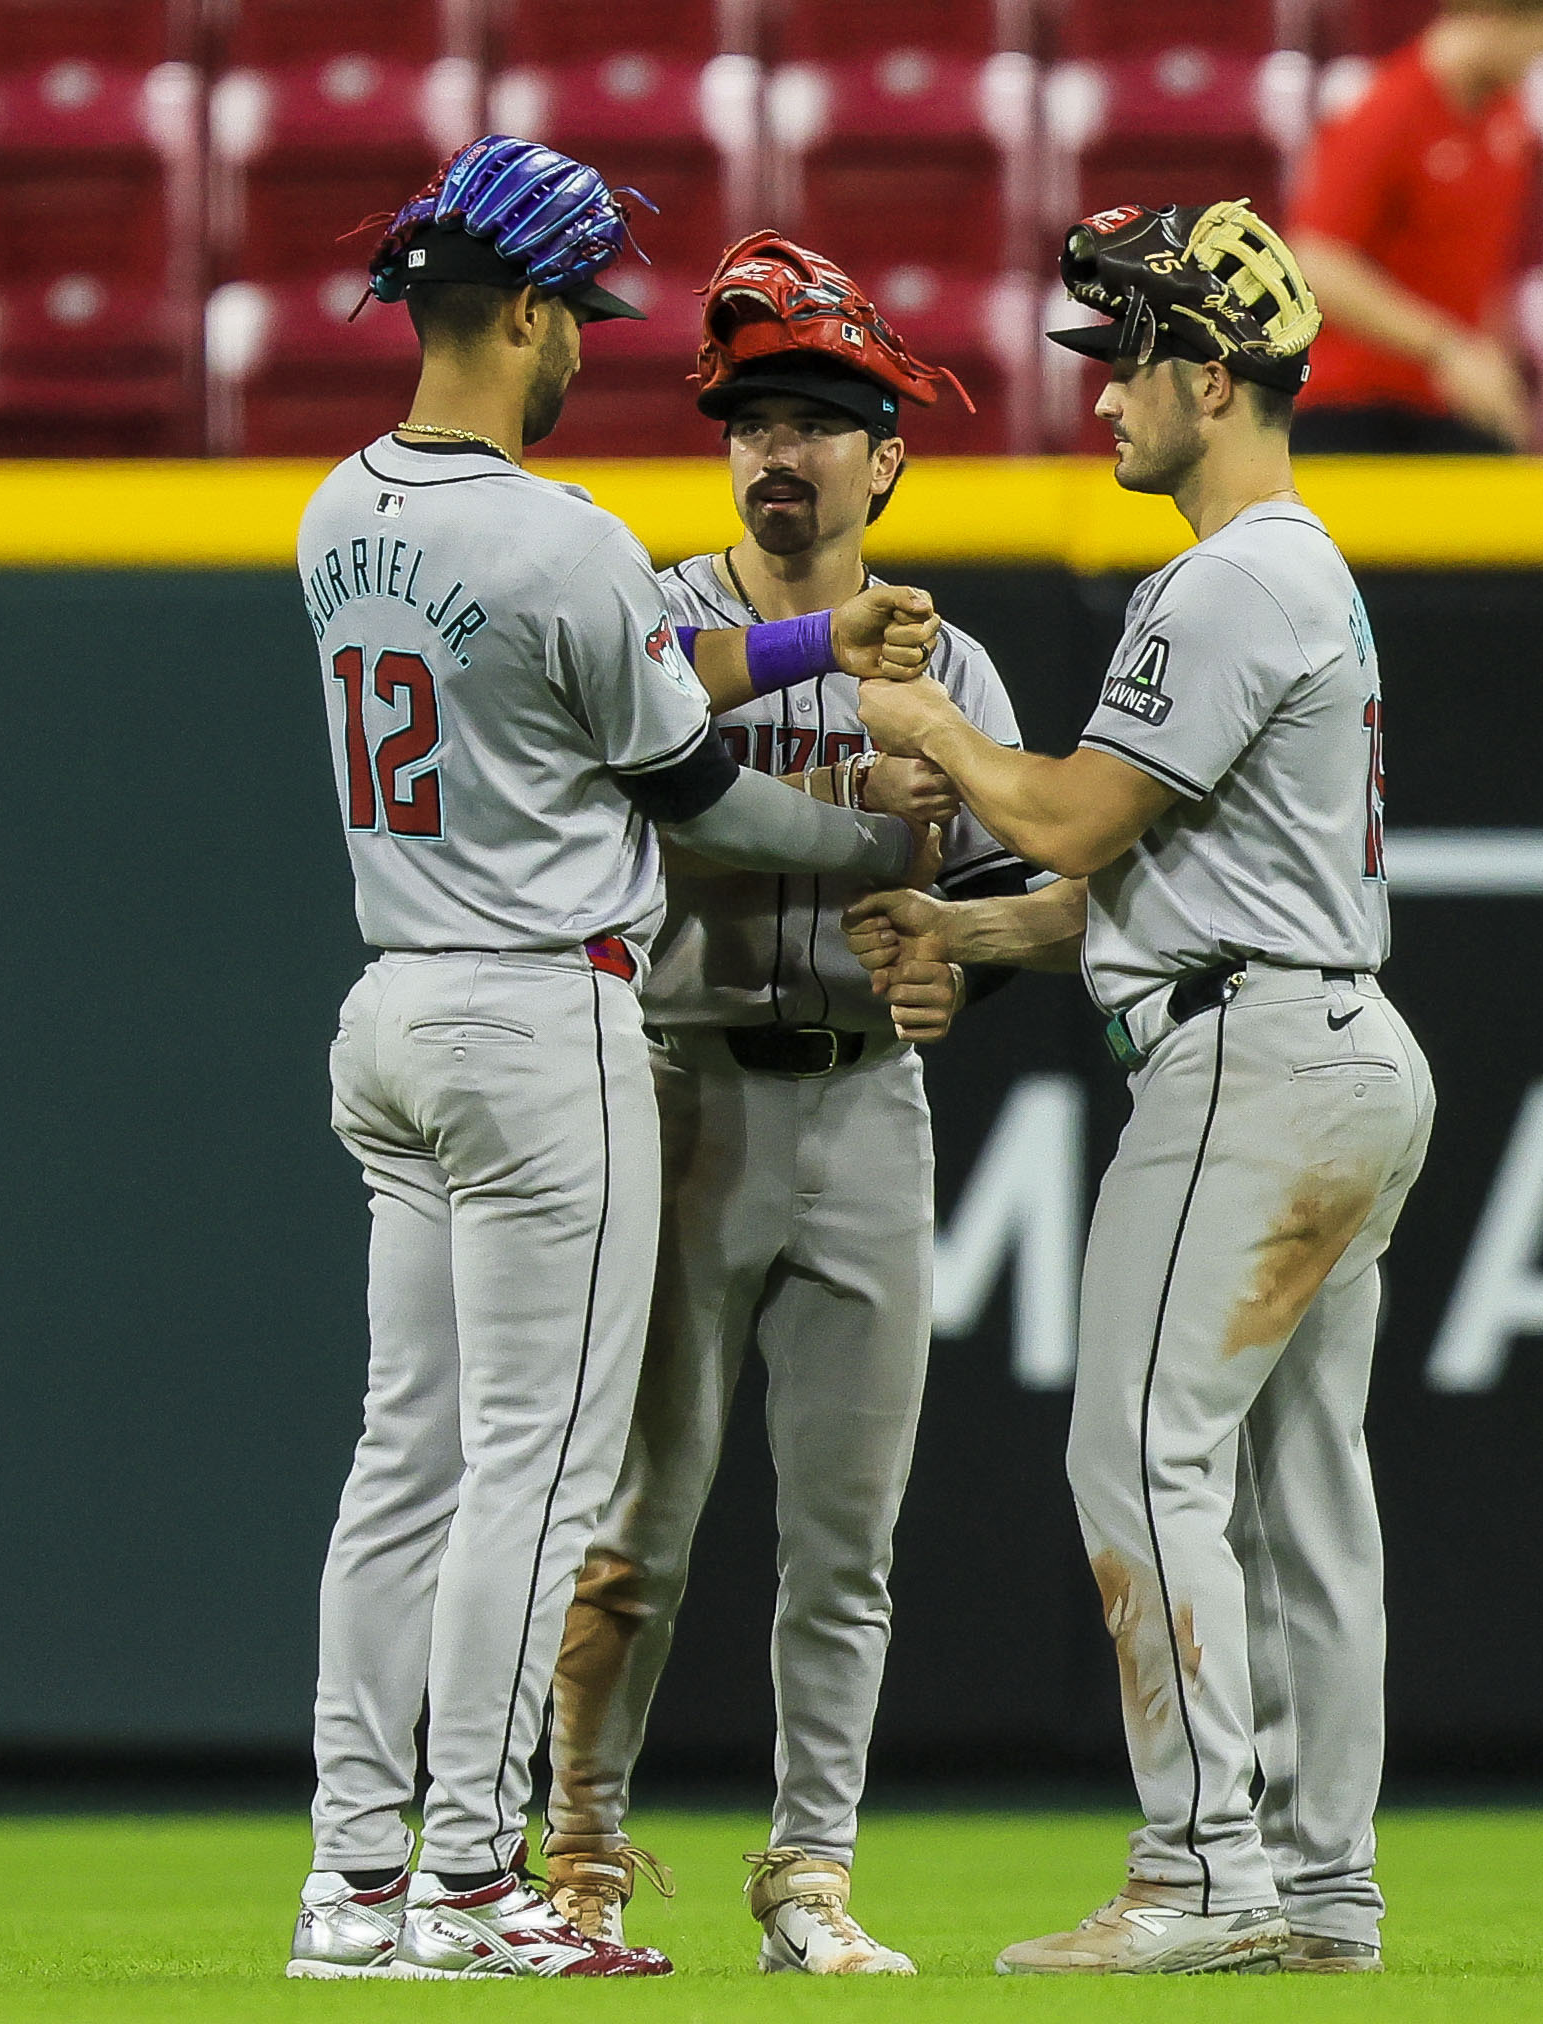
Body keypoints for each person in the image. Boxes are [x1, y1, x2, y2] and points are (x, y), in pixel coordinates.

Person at [283, 136, 948, 1983]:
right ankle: (483, 1877)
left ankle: (352, 1879)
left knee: (399, 1458)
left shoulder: (337, 509)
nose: (582, 342)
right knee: (542, 1473)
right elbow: (682, 775)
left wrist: (812, 633)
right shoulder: (563, 532)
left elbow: (622, 663)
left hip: (393, 1002)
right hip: (535, 1012)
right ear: (509, 310)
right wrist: (882, 846)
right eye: (569, 309)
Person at [849, 200, 1439, 1975]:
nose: (1103, 392)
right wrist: (969, 931)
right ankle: (1321, 1886)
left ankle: (1198, 1873)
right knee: (1301, 1495)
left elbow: (1076, 818)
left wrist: (934, 729)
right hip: (1328, 1034)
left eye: (1128, 360)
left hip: (1249, 1061)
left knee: (1141, 1449)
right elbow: (1136, 892)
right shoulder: (1302, 568)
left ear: (1210, 373)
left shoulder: (1228, 571)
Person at [538, 231, 1038, 1978]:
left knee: (844, 1538)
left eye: (822, 414)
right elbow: (631, 748)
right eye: (754, 411)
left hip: (859, 1103)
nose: (783, 443)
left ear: (884, 452)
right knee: (637, 1525)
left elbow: (996, 903)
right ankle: (582, 1854)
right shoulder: (657, 615)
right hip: (679, 1092)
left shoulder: (953, 670)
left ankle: (809, 1872)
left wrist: (947, 956)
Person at [1285, 0, 1543, 453]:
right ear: (1491, 17)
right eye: (1542, 38)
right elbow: (1315, 259)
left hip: (1450, 400)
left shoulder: (1507, 117)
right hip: (1352, 404)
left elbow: (1480, 265)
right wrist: (1445, 348)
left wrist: (1494, 369)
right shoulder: (1384, 110)